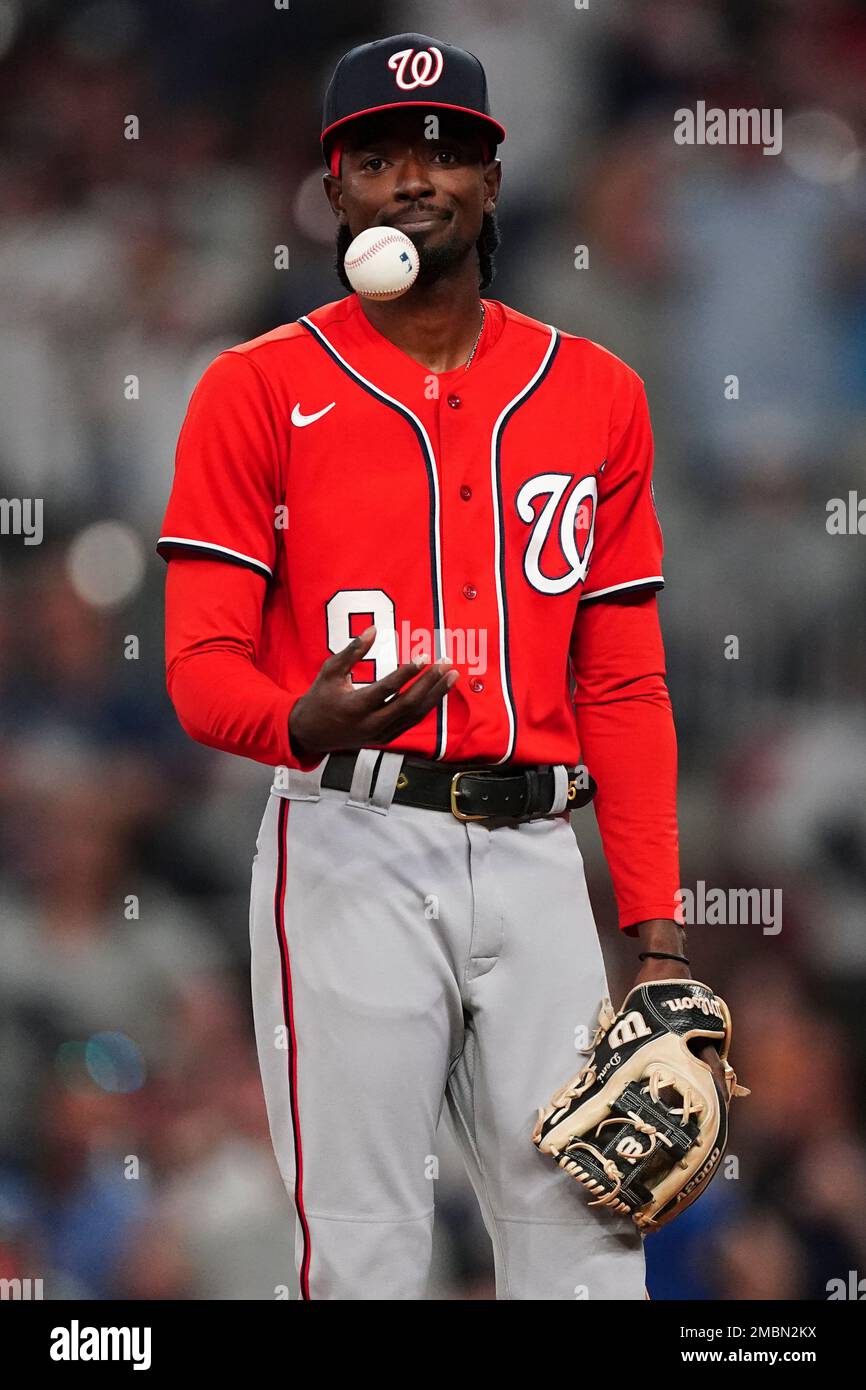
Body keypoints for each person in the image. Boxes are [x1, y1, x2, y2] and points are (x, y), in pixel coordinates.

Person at [158, 32, 726, 1300]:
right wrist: (296, 719)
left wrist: (660, 936)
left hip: (537, 858)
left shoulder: (596, 394)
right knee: (361, 1254)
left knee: (588, 1249)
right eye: (377, 156)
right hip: (349, 843)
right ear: (335, 189)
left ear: (490, 178)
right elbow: (197, 668)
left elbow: (624, 684)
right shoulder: (252, 390)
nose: (414, 177)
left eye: (444, 147)